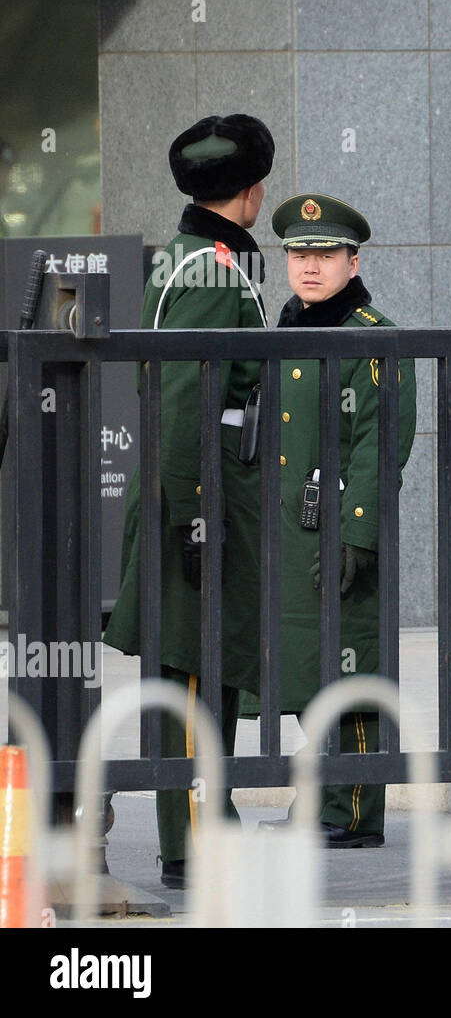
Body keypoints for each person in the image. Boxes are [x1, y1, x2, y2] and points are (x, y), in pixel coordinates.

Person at [104, 113, 274, 890]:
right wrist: (200, 511)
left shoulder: (201, 258)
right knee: (197, 672)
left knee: (202, 671)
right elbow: (189, 398)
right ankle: (199, 842)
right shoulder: (210, 269)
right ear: (250, 190)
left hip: (197, 487)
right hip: (197, 489)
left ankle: (201, 834)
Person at [261, 193, 416, 846]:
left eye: (324, 254)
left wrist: (359, 532)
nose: (310, 265)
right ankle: (321, 796)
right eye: (299, 253)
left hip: (341, 531)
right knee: (303, 667)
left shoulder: (372, 336)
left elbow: (381, 442)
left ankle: (352, 813)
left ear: (353, 260)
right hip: (288, 532)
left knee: (350, 670)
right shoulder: (285, 326)